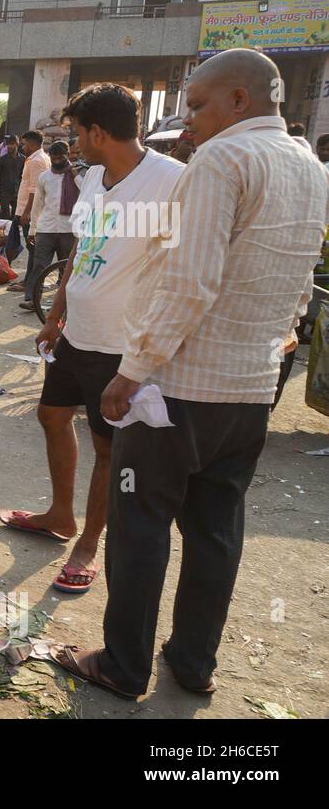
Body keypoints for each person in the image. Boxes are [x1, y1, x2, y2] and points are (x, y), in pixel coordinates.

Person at [55, 49, 329, 699]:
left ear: (242, 99)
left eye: (200, 105)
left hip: (178, 389)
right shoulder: (310, 167)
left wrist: (133, 371)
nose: (189, 121)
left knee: (138, 521)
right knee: (215, 527)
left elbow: (189, 281)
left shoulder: (222, 161)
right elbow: (300, 278)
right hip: (252, 388)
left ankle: (123, 664)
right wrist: (278, 337)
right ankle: (193, 660)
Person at [0, 83, 184, 595]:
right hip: (77, 333)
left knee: (108, 446)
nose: (73, 142)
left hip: (120, 345)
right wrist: (55, 314)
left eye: (78, 133)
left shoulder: (172, 182)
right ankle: (61, 515)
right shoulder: (94, 178)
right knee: (52, 416)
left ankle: (89, 544)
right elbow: (83, 249)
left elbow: (185, 268)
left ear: (99, 132)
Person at [15, 140, 81, 307]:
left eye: (61, 158)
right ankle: (32, 300)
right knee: (39, 265)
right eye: (54, 158)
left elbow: (88, 192)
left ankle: (64, 303)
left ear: (67, 156)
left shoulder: (78, 174)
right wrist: (32, 229)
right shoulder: (44, 177)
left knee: (66, 268)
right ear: (50, 157)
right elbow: (38, 204)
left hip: (69, 229)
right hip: (46, 228)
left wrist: (76, 176)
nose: (58, 161)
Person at [15, 130, 51, 252]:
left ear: (31, 144)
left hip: (30, 211)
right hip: (28, 209)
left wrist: (26, 212)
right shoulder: (40, 158)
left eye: (24, 145)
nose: (23, 148)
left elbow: (35, 190)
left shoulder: (37, 161)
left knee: (32, 247)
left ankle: (33, 271)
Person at [0, 135, 24, 219]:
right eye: (8, 144)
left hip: (17, 192)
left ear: (17, 144)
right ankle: (6, 232)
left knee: (16, 216)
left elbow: (24, 177)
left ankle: (13, 232)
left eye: (12, 144)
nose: (9, 146)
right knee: (5, 215)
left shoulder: (23, 159)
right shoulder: (2, 160)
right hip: (4, 192)